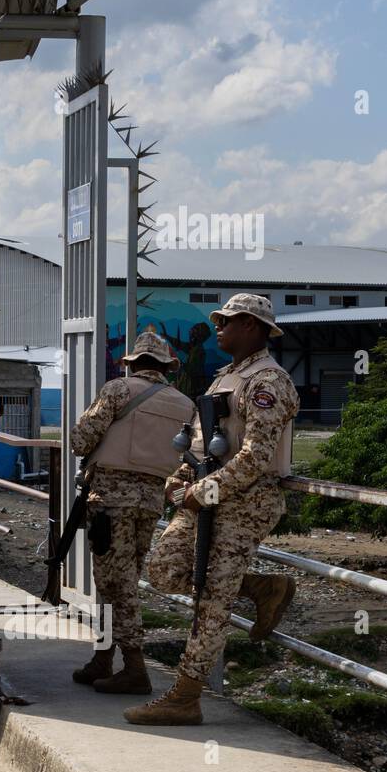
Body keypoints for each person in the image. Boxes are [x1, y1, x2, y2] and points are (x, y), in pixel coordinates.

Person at [125, 294, 299, 726]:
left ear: (254, 328)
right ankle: (260, 587)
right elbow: (204, 440)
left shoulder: (267, 382)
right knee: (165, 569)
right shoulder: (227, 377)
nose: (218, 326)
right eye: (219, 319)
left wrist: (205, 489)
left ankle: (185, 696)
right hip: (205, 495)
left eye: (229, 321)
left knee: (213, 597)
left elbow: (258, 455)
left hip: (244, 501)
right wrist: (181, 478)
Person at [67, 330, 195, 694]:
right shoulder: (185, 405)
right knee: (117, 580)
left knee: (117, 584)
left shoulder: (117, 390)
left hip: (110, 501)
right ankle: (103, 659)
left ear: (133, 363)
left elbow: (80, 440)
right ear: (166, 367)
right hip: (151, 501)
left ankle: (135, 667)